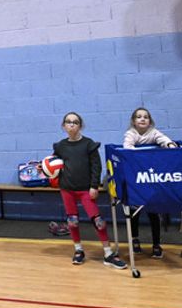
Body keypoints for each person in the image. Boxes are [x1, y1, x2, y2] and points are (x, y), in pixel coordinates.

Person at [53, 112, 127, 269]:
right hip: (67, 189)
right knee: (72, 221)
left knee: (98, 222)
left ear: (80, 126)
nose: (72, 124)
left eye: (75, 122)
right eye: (68, 122)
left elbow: (96, 167)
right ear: (63, 126)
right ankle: (78, 250)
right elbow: (54, 164)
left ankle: (108, 253)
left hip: (86, 189)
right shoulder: (60, 146)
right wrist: (45, 170)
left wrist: (94, 186)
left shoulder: (89, 144)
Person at [122, 107, 177, 259]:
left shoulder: (153, 132)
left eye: (146, 117)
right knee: (134, 212)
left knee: (154, 213)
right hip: (135, 179)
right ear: (134, 121)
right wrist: (142, 155)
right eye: (139, 117)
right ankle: (134, 239)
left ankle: (156, 244)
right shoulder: (130, 134)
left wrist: (170, 145)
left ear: (150, 121)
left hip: (151, 180)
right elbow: (127, 147)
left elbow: (163, 139)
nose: (142, 119)